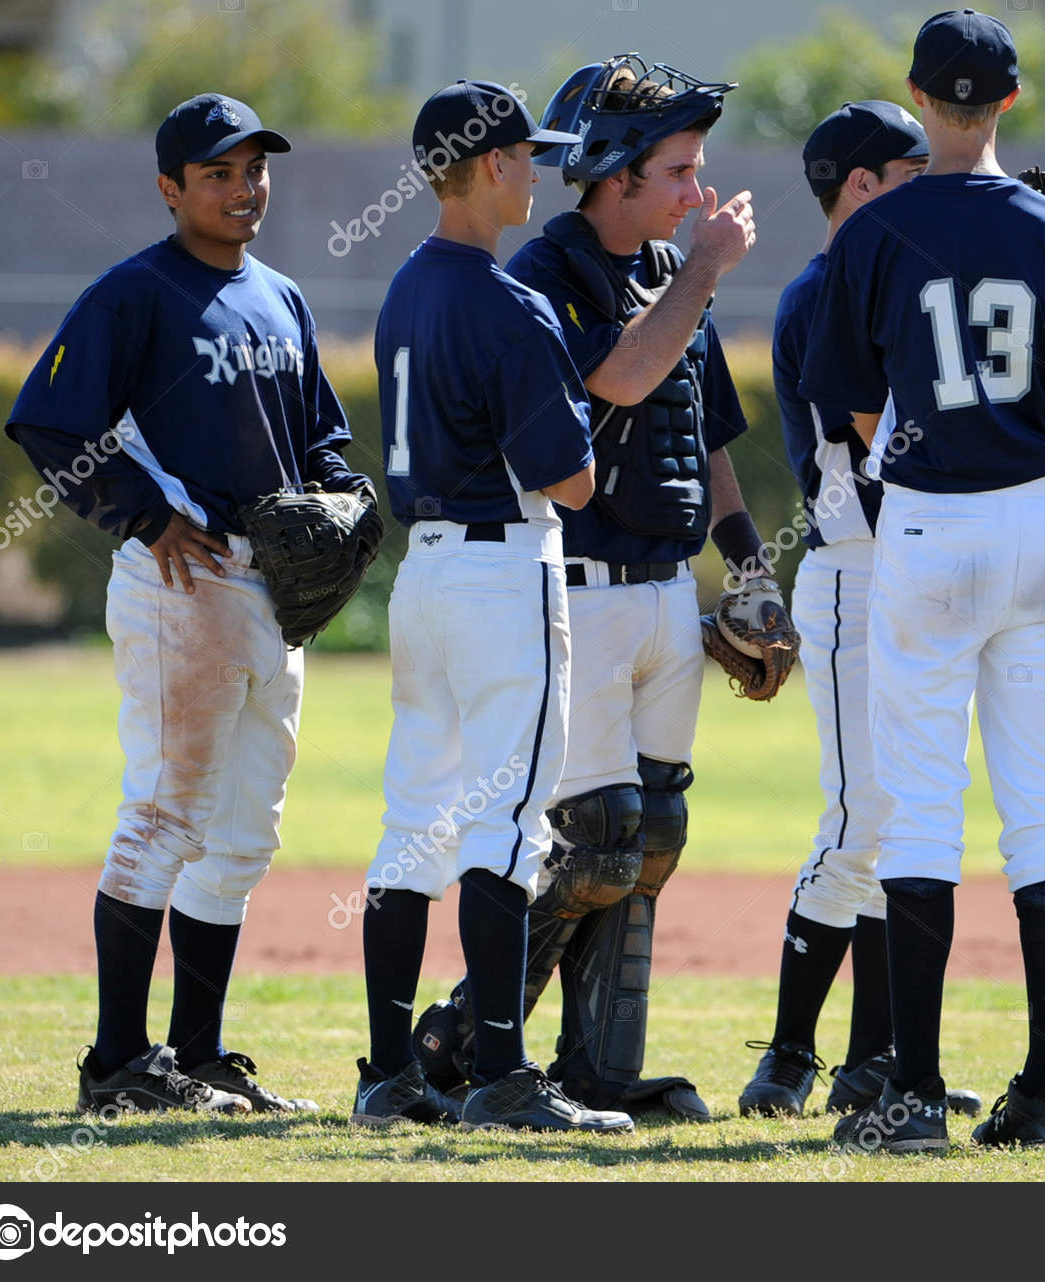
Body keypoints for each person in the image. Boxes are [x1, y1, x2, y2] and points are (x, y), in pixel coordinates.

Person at [801, 10, 1045, 1154]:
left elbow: (854, 408)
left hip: (933, 526)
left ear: (916, 95)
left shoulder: (875, 231)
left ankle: (915, 1094)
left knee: (919, 812)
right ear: (1007, 101)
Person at [414, 54, 775, 1122]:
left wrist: (750, 564)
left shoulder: (671, 261)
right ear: (613, 172)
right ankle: (465, 1045)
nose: (696, 195)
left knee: (651, 837)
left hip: (665, 587)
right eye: (677, 170)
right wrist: (704, 271)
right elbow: (616, 378)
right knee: (594, 838)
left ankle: (598, 1072)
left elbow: (701, 432)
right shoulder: (545, 274)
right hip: (574, 584)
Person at [6, 93, 374, 1114]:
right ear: (171, 189)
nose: (243, 186)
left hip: (270, 586)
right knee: (165, 816)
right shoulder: (137, 294)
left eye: (255, 167)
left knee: (245, 829)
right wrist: (139, 512)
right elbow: (47, 417)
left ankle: (198, 1058)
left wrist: (343, 493)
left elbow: (322, 441)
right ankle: (117, 1066)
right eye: (218, 172)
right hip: (185, 579)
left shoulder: (283, 299)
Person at [347, 80, 631, 1135]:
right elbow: (572, 480)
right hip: (502, 568)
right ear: (495, 165)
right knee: (508, 826)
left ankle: (387, 1075)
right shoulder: (509, 302)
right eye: (527, 155)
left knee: (413, 824)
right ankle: (505, 1075)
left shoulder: (408, 288)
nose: (538, 171)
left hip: (423, 578)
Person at [736, 101, 978, 1122]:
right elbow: (887, 451)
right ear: (861, 185)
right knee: (858, 821)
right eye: (909, 171)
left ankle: (872, 1062)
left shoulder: (907, 280)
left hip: (924, 574)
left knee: (909, 819)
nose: (930, 186)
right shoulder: (821, 292)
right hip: (856, 571)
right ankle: (788, 1056)